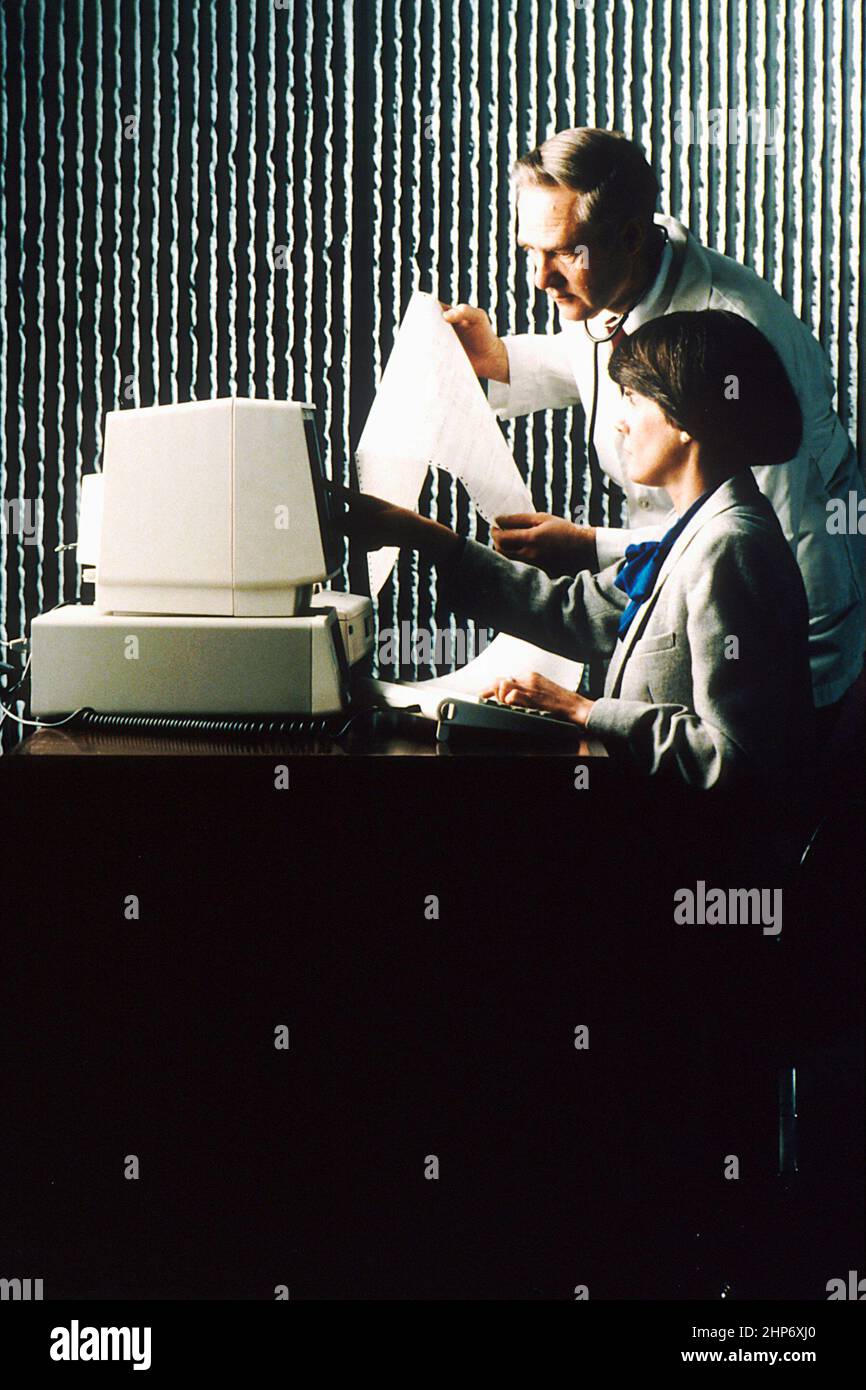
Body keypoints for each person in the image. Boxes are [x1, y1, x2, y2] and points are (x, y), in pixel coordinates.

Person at [442, 127, 864, 731]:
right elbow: (586, 362)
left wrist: (589, 545)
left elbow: (753, 530)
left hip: (787, 621)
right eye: (527, 251)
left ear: (632, 236)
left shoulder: (733, 332)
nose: (539, 278)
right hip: (669, 593)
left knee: (729, 777)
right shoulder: (615, 280)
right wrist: (496, 357)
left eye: (562, 252)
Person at [341, 310, 813, 789]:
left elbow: (731, 758)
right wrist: (428, 538)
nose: (620, 423)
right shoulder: (692, 527)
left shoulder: (729, 547)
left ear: (685, 419)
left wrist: (583, 710)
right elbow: (574, 611)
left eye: (632, 399)